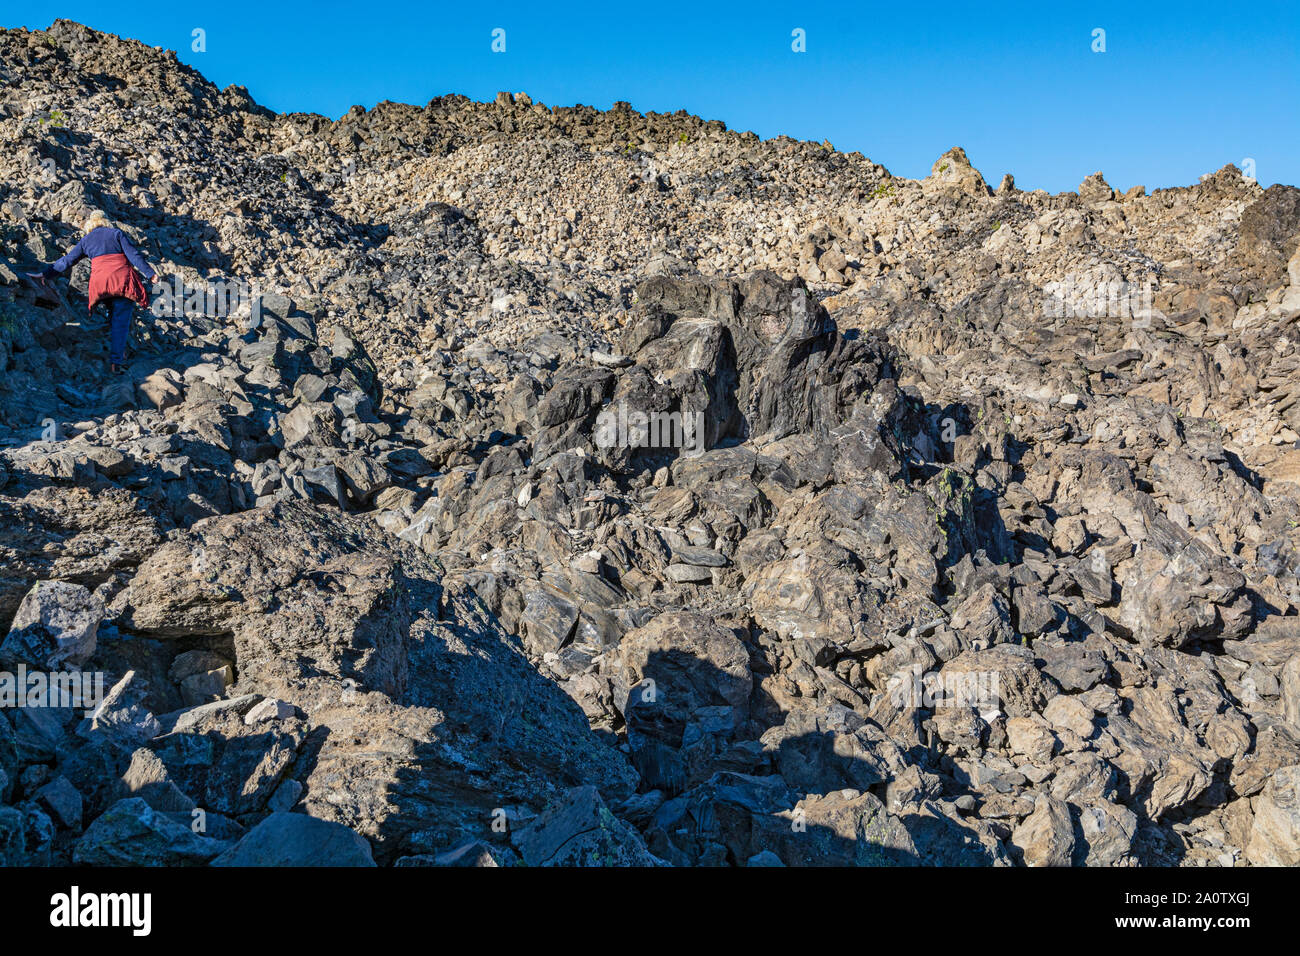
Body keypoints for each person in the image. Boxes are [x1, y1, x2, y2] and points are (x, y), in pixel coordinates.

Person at [27, 210, 159, 374]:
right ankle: (116, 361)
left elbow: (67, 260)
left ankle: (118, 349)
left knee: (112, 312)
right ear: (105, 221)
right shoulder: (116, 234)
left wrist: (45, 274)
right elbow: (134, 255)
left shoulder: (86, 240)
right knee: (121, 320)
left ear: (91, 224)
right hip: (121, 281)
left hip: (100, 285)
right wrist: (150, 273)